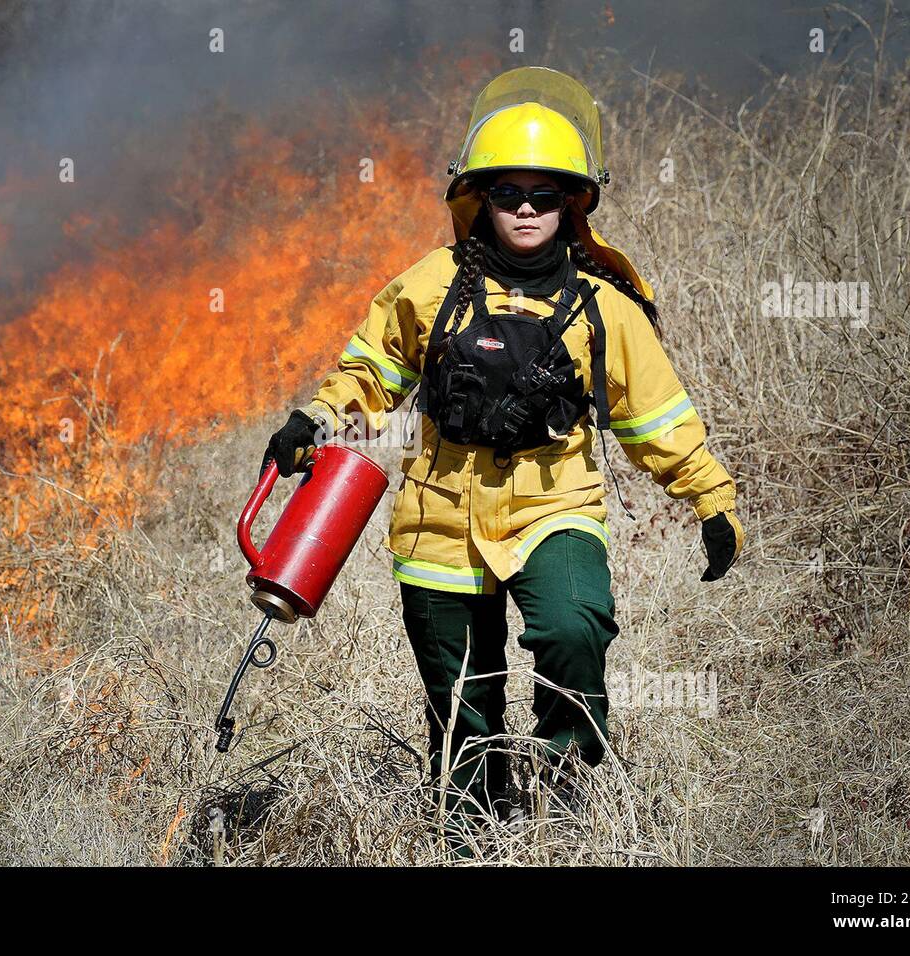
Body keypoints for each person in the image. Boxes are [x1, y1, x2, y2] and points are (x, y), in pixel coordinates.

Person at [261, 67, 743, 830]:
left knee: (575, 626)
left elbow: (657, 419)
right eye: (508, 193)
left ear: (572, 203)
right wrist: (312, 423)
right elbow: (369, 373)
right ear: (478, 197)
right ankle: (473, 831)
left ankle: (561, 792)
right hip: (438, 517)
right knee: (461, 702)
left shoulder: (605, 307)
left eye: (545, 194)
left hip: (556, 504)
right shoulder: (428, 285)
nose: (525, 208)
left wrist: (714, 504)